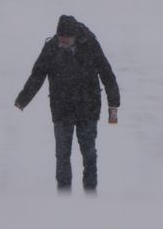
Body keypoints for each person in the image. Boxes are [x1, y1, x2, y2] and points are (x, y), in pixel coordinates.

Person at [15, 15, 120, 193]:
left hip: (88, 107)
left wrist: (113, 108)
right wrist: (23, 100)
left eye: (66, 40)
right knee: (62, 155)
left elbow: (106, 73)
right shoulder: (51, 48)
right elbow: (37, 75)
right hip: (61, 108)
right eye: (60, 39)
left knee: (89, 153)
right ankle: (63, 195)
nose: (62, 43)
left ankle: (90, 192)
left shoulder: (90, 45)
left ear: (75, 36)